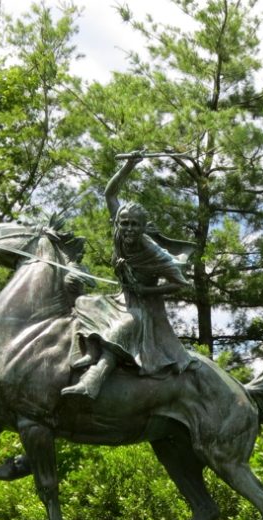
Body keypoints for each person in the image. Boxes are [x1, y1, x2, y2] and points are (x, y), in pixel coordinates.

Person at [61, 154, 196, 400]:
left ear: (143, 227)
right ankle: (91, 352)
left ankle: (93, 382)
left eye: (135, 225)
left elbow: (180, 283)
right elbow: (110, 194)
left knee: (123, 326)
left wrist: (146, 291)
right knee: (83, 302)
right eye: (125, 224)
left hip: (143, 308)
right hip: (121, 296)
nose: (129, 229)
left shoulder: (155, 253)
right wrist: (129, 165)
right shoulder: (118, 231)